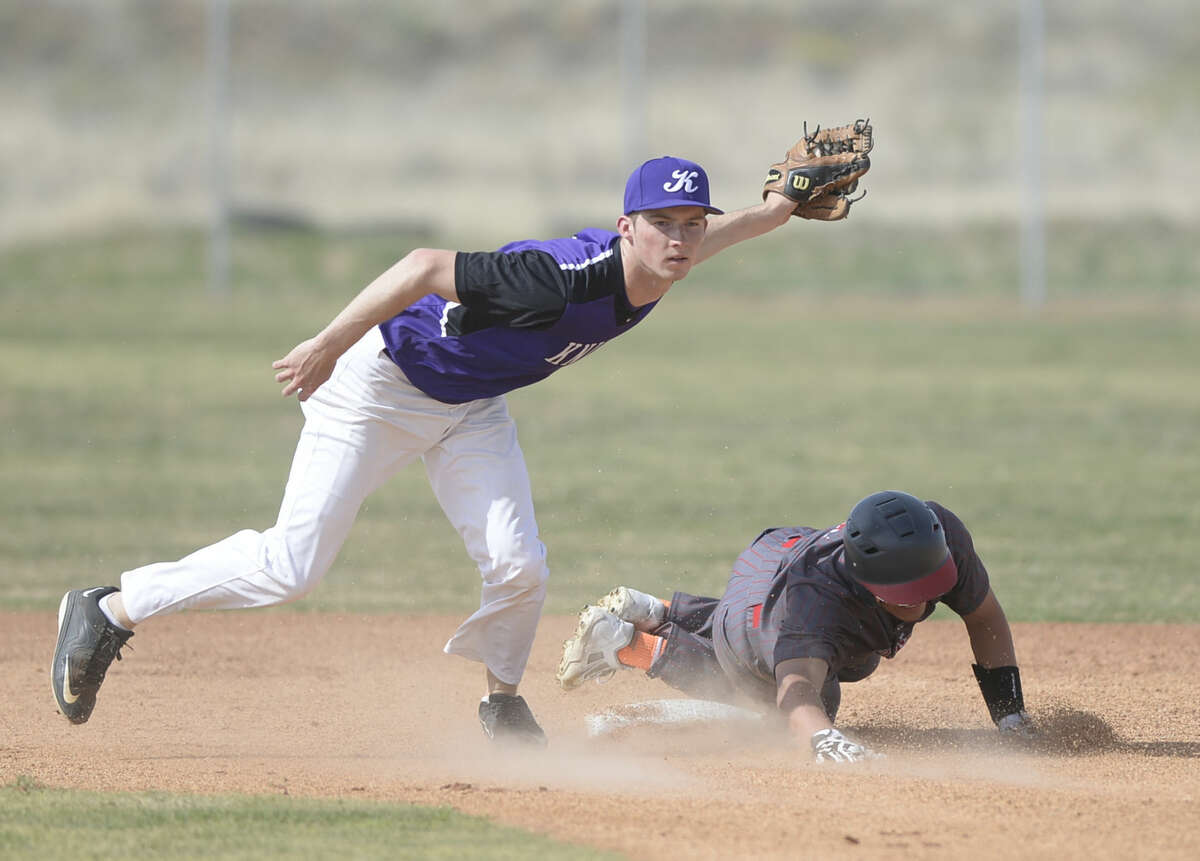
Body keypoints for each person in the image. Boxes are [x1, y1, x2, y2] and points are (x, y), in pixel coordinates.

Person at [51, 147, 850, 745]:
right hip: (378, 387)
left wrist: (778, 209)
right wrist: (329, 342)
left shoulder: (661, 264)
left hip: (468, 405)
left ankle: (501, 701)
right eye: (662, 225)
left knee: (521, 563)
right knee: (290, 566)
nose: (680, 240)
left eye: (690, 224)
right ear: (625, 227)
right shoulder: (559, 278)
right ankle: (110, 606)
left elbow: (707, 244)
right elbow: (422, 265)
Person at [556, 490, 1034, 761]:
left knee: (856, 659)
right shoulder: (815, 605)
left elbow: (984, 616)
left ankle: (657, 609)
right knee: (791, 703)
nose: (928, 597)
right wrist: (826, 742)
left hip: (783, 556)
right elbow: (797, 691)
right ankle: (624, 643)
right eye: (912, 593)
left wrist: (1009, 716)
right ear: (868, 583)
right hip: (763, 606)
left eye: (932, 583)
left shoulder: (937, 535)